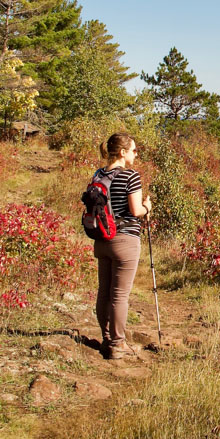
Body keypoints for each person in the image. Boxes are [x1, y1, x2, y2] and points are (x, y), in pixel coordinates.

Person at [94, 133, 152, 359]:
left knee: (104, 292)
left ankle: (107, 339)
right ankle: (118, 344)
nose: (136, 154)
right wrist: (147, 207)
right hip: (125, 239)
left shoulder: (99, 174)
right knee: (119, 295)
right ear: (123, 152)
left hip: (102, 239)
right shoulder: (131, 176)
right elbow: (136, 211)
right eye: (134, 150)